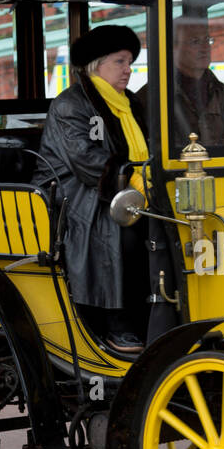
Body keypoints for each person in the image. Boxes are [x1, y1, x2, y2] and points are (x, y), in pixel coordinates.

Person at [38, 25, 160, 354]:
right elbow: (86, 161)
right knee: (115, 222)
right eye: (120, 61)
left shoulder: (129, 103)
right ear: (97, 64)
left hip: (123, 186)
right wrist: (133, 177)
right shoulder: (71, 104)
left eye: (130, 62)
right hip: (71, 196)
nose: (128, 69)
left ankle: (159, 311)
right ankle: (116, 323)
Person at [142, 14, 224, 147]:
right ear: (173, 48)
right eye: (195, 41)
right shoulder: (152, 97)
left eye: (207, 40)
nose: (205, 48)